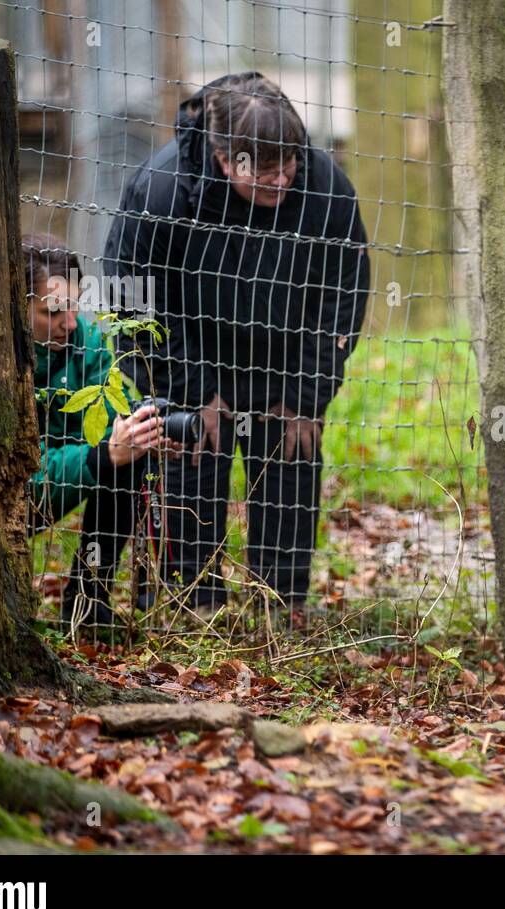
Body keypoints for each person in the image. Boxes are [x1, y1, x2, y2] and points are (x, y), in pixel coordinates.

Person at [103, 72, 371, 615]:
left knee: (291, 460)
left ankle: (281, 608)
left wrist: (306, 394)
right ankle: (190, 605)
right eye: (266, 170)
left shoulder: (325, 189)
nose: (283, 179)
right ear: (226, 159)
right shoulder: (161, 190)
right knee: (187, 459)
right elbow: (128, 299)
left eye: (290, 163)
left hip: (285, 359)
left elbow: (344, 294)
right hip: (187, 354)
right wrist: (188, 391)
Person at [24, 234, 178, 632]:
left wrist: (143, 431)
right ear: (15, 306)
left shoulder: (86, 341)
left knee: (129, 454)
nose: (69, 323)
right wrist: (99, 456)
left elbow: (116, 416)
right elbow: (18, 479)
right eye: (52, 312)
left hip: (62, 479)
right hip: (6, 503)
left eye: (74, 307)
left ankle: (88, 605)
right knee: (113, 456)